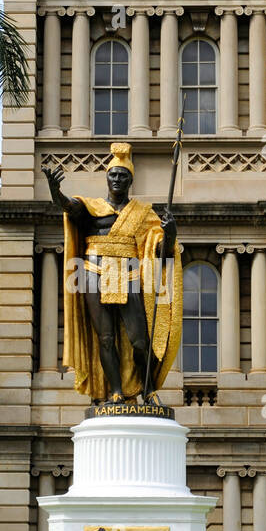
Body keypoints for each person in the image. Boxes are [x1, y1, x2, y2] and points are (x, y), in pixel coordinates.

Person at [43, 142, 182, 404]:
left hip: (128, 273)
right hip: (93, 272)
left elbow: (160, 252)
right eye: (113, 175)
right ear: (106, 178)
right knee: (105, 338)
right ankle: (116, 391)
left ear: (130, 180)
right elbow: (68, 207)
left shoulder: (143, 213)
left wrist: (171, 233)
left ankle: (147, 389)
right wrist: (55, 191)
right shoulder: (92, 207)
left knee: (140, 340)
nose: (117, 179)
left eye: (123, 176)